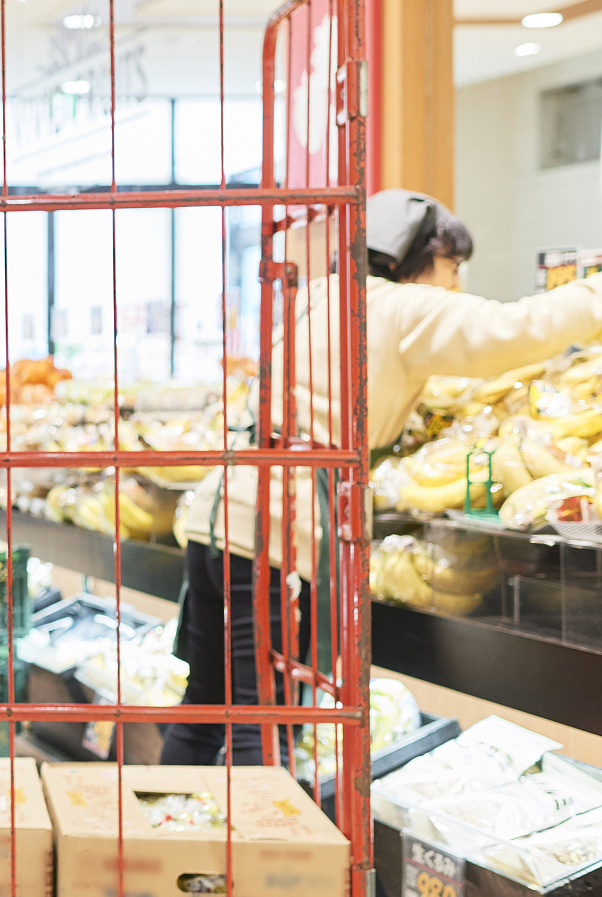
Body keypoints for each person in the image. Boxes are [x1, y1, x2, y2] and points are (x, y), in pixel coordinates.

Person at [163, 188, 602, 766]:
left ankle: (170, 818)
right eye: (452, 265)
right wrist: (594, 291)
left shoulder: (321, 294)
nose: (455, 283)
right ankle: (262, 828)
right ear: (418, 256)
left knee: (203, 704)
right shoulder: (396, 306)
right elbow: (514, 330)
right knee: (264, 724)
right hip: (276, 532)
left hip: (220, 514)